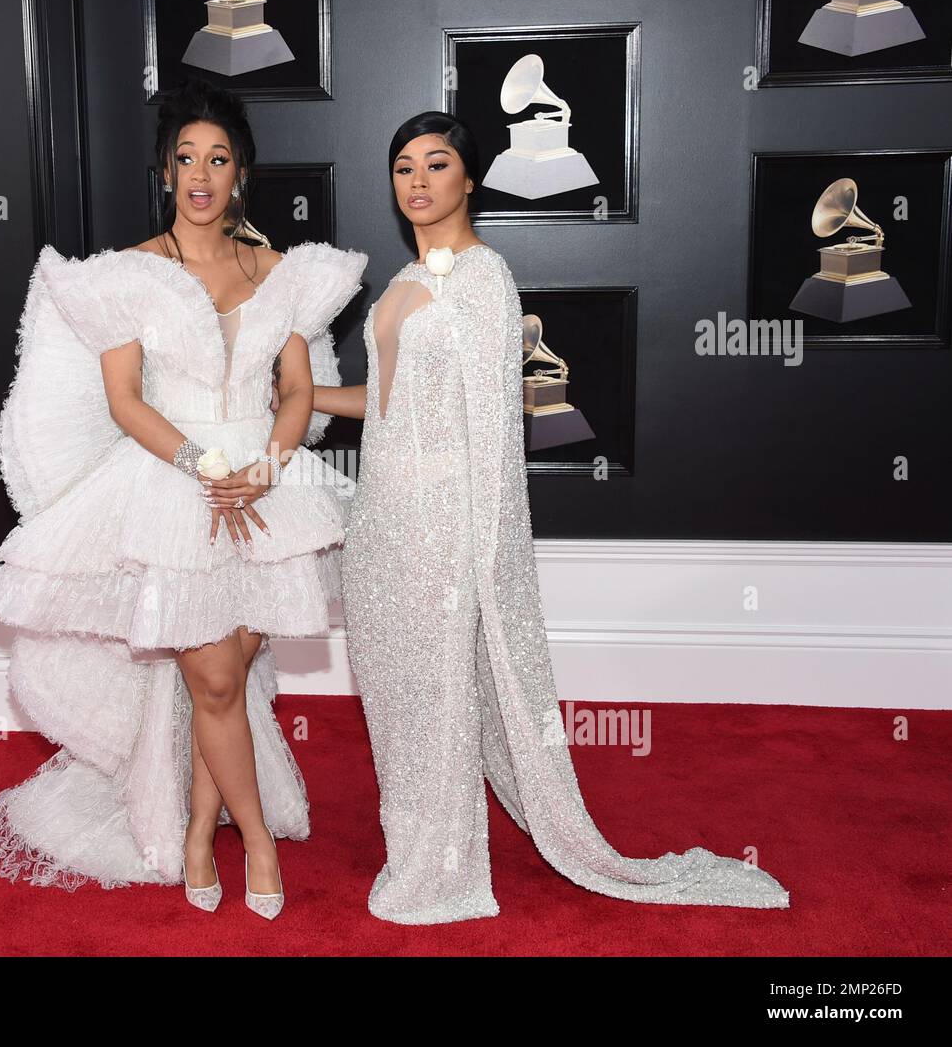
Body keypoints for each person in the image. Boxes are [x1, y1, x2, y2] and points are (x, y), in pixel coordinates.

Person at [310, 111, 790, 924]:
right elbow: (384, 408)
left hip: (442, 523)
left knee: (439, 694)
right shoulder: (400, 284)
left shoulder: (482, 277)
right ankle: (415, 840)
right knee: (395, 694)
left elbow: (497, 424)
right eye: (402, 168)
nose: (418, 181)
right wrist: (302, 395)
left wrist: (481, 547)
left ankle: (443, 871)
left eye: (435, 165)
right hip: (382, 518)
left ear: (469, 178)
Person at [0, 76, 367, 921]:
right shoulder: (127, 273)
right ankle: (256, 843)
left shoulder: (281, 273)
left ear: (241, 175)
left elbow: (297, 391)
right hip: (171, 485)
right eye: (185, 157)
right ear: (165, 172)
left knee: (224, 675)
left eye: (218, 159)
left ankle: (199, 826)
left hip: (268, 491)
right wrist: (200, 464)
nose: (201, 173)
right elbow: (125, 400)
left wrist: (265, 461)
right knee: (217, 678)